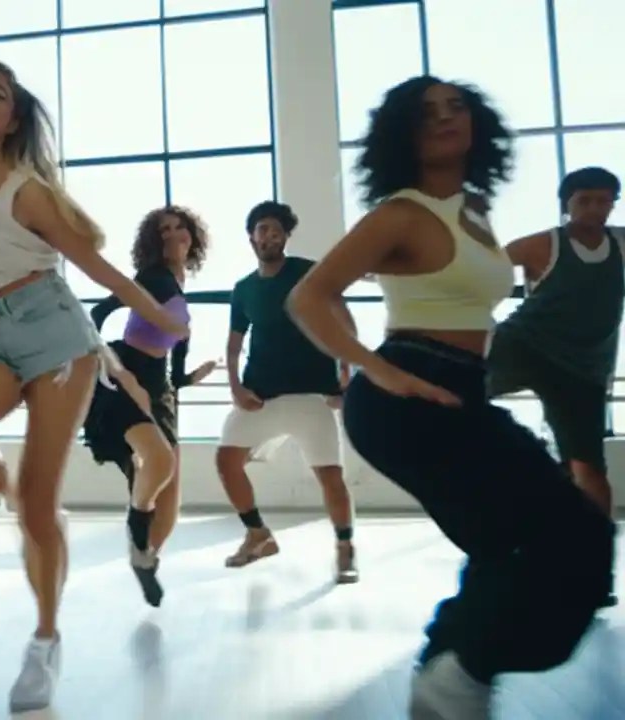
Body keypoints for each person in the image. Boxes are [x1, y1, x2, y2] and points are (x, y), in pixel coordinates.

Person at [287, 75, 615, 720]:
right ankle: (461, 668)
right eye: (427, 112)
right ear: (403, 134)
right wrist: (373, 370)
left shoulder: (471, 209)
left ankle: (453, 667)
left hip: (459, 390)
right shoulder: (401, 212)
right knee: (567, 531)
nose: (445, 118)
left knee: (528, 539)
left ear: (478, 123)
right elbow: (308, 296)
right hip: (410, 391)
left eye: (456, 107)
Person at [0, 56, 188, 713]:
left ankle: (44, 641)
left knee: (36, 514)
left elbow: (90, 263)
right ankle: (23, 490)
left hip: (54, 332)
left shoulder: (26, 190)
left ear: (12, 119)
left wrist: (151, 313)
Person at [486, 166, 621, 608]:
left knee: (589, 470)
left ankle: (596, 573)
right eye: (585, 201)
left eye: (605, 201)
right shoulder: (542, 244)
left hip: (581, 370)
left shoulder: (622, 245)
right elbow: (478, 276)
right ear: (567, 205)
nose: (595, 210)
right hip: (522, 347)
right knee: (453, 394)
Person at [216, 201, 358, 583]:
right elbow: (232, 346)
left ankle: (345, 548)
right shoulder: (243, 289)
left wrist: (346, 370)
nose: (269, 236)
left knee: (331, 477)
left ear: (285, 236)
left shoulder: (307, 272)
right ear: (252, 236)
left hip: (311, 395)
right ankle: (258, 536)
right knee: (227, 461)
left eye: (276, 231)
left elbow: (341, 316)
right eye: (262, 229)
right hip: (260, 395)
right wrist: (235, 387)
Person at [82, 206, 217, 606]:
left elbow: (173, 371)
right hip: (125, 376)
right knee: (157, 462)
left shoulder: (178, 288)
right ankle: (136, 525)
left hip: (160, 389)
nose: (173, 234)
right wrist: (119, 373)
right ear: (153, 241)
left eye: (180, 227)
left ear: (192, 236)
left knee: (170, 508)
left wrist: (194, 377)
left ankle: (143, 556)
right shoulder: (151, 279)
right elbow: (96, 316)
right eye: (164, 230)